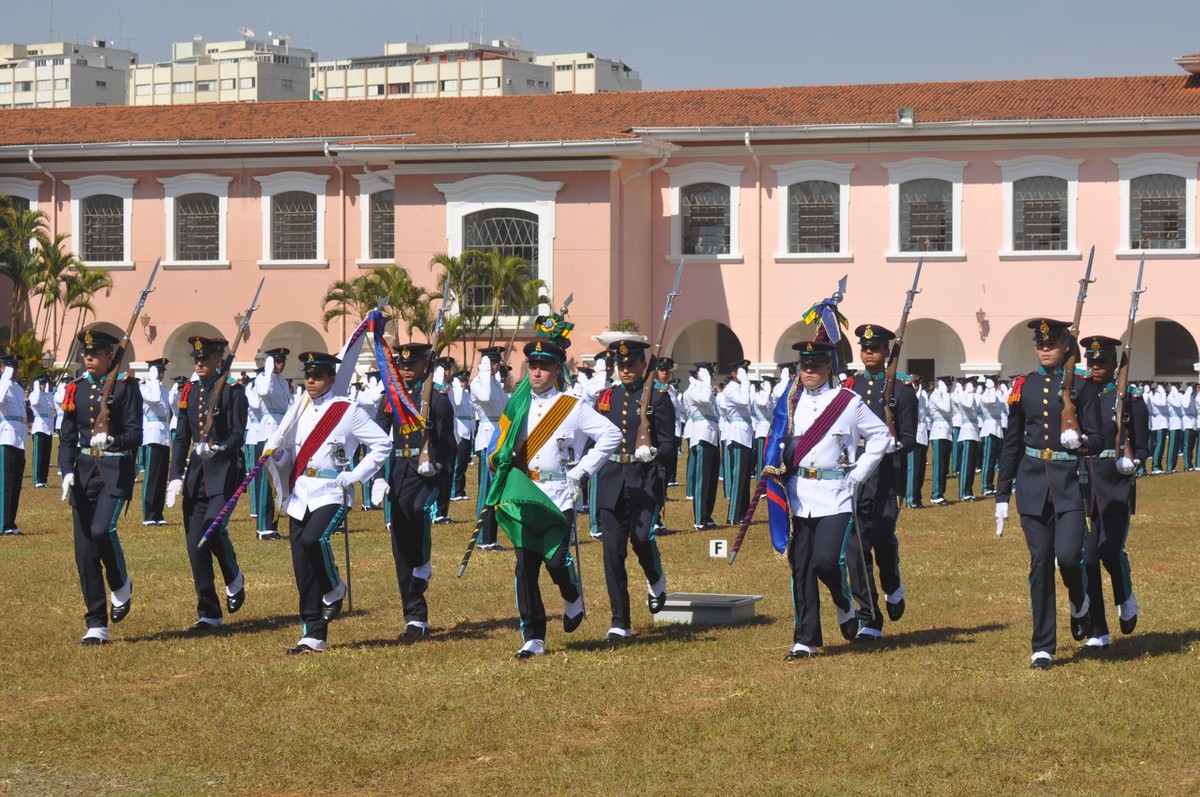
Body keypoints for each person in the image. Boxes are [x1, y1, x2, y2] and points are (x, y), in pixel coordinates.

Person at [760, 340, 891, 660]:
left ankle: (843, 600)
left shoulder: (847, 401)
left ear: (828, 366)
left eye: (815, 365)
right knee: (802, 566)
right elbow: (776, 440)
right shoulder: (789, 403)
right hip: (798, 493)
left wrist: (859, 473)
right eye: (804, 366)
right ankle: (805, 638)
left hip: (836, 493)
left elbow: (881, 436)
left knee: (826, 561)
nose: (809, 371)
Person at [497, 337, 620, 658]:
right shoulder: (517, 405)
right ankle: (533, 637)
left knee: (555, 561)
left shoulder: (571, 406)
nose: (537, 372)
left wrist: (583, 470)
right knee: (525, 566)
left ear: (556, 370)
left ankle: (571, 594)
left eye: (544, 367)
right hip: (524, 493)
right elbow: (503, 446)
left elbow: (611, 434)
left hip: (559, 495)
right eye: (533, 366)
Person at [265, 352, 392, 654]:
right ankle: (313, 634)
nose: (311, 381)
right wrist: (275, 453)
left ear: (332, 379)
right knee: (303, 565)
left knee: (314, 539)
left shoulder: (348, 410)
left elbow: (382, 443)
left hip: (332, 489)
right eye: (308, 375)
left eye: (318, 376)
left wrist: (357, 475)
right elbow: (292, 452)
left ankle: (334, 587)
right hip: (301, 492)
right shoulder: (299, 410)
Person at [995, 319, 1103, 669]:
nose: (1044, 349)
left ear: (1065, 346)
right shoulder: (1023, 385)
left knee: (1070, 557)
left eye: (1051, 344)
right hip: (1031, 484)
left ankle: (1079, 601)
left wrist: (1081, 443)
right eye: (1040, 344)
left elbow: (1098, 438)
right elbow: (1012, 443)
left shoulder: (1082, 385)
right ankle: (1043, 646)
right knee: (1040, 564)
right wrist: (1001, 494)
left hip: (1069, 484)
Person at [59, 330, 142, 644]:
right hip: (83, 474)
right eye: (86, 353)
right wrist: (67, 471)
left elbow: (135, 433)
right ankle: (96, 624)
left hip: (114, 470)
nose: (89, 358)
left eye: (95, 353)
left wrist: (113, 441)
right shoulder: (76, 389)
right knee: (84, 553)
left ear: (111, 355)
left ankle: (120, 584)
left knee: (102, 530)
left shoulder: (125, 387)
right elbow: (67, 437)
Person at [593, 340, 676, 646]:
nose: (625, 370)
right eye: (621, 365)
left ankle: (655, 578)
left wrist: (653, 453)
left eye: (631, 365)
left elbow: (669, 443)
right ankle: (620, 623)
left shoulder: (658, 398)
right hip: (611, 480)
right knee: (612, 554)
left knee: (641, 538)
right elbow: (595, 437)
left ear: (643, 365)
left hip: (644, 481)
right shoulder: (607, 397)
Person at [167, 336, 249, 632]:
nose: (199, 363)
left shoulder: (232, 391)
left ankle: (233, 575)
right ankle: (209, 612)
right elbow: (181, 437)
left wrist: (220, 447)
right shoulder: (188, 392)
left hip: (225, 470)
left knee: (211, 529)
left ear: (219, 360)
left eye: (205, 358)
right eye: (196, 358)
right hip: (197, 474)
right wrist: (175, 475)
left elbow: (238, 434)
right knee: (195, 544)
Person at [372, 342, 454, 640]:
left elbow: (449, 445)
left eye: (412, 364)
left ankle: (424, 562)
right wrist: (377, 477)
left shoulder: (438, 400)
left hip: (428, 474)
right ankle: (415, 617)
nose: (406, 369)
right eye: (402, 364)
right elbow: (376, 438)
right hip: (399, 471)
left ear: (425, 365)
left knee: (419, 510)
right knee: (400, 545)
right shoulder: (391, 398)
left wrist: (436, 462)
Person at [844, 324, 918, 640]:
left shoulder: (902, 390)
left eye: (874, 348)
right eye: (864, 348)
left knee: (882, 537)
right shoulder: (850, 387)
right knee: (855, 547)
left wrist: (895, 445)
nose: (868, 353)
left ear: (887, 351)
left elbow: (912, 437)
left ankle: (892, 584)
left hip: (886, 476)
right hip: (855, 475)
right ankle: (869, 617)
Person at [1080, 335, 1149, 650]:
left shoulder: (1130, 398)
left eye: (1102, 362)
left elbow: (1143, 444)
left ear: (1114, 364)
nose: (1095, 367)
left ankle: (1125, 595)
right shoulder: (1080, 394)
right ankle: (1097, 630)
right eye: (1091, 361)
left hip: (1116, 483)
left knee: (1109, 551)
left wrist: (1133, 462)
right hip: (1084, 481)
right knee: (1088, 557)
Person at [469, 347, 508, 550]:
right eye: (492, 362)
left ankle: (491, 537)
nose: (496, 365)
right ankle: (483, 538)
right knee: (486, 489)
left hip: (499, 438)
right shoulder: (478, 383)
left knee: (496, 490)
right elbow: (485, 396)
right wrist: (484, 370)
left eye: (497, 362)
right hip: (486, 440)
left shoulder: (496, 384)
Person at [250, 347, 291, 539]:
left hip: (280, 432)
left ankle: (273, 526)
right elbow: (264, 392)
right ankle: (263, 528)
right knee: (266, 482)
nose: (281, 365)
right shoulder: (262, 379)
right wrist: (267, 369)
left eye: (283, 361)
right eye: (277, 361)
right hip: (267, 432)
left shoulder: (283, 382)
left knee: (278, 482)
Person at [683, 362, 720, 530]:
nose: (710, 376)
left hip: (712, 436)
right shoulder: (692, 390)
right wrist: (706, 381)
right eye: (707, 373)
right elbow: (704, 399)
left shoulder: (705, 389)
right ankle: (699, 519)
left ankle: (707, 517)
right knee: (702, 481)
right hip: (701, 436)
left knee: (711, 480)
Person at [139, 358, 171, 525]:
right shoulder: (145, 388)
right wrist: (152, 379)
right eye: (157, 371)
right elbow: (155, 399)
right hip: (152, 434)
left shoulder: (164, 389)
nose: (160, 375)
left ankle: (158, 513)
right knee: (151, 476)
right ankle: (148, 514)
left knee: (161, 477)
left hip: (164, 434)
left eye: (162, 371)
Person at [0, 355, 27, 534]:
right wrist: (5, 378)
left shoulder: (17, 388)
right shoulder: (2, 385)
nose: (14, 371)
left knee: (16, 484)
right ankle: (3, 524)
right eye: (10, 367)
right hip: (6, 438)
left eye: (15, 367)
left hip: (20, 438)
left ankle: (11, 523)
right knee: (6, 484)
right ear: (2, 368)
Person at [28, 374, 55, 489]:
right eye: (40, 383)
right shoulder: (34, 394)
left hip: (48, 427)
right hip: (39, 426)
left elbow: (52, 408)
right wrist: (37, 389)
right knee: (38, 455)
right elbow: (35, 402)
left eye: (44, 383)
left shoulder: (49, 395)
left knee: (46, 455)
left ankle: (44, 479)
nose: (42, 385)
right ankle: (37, 479)